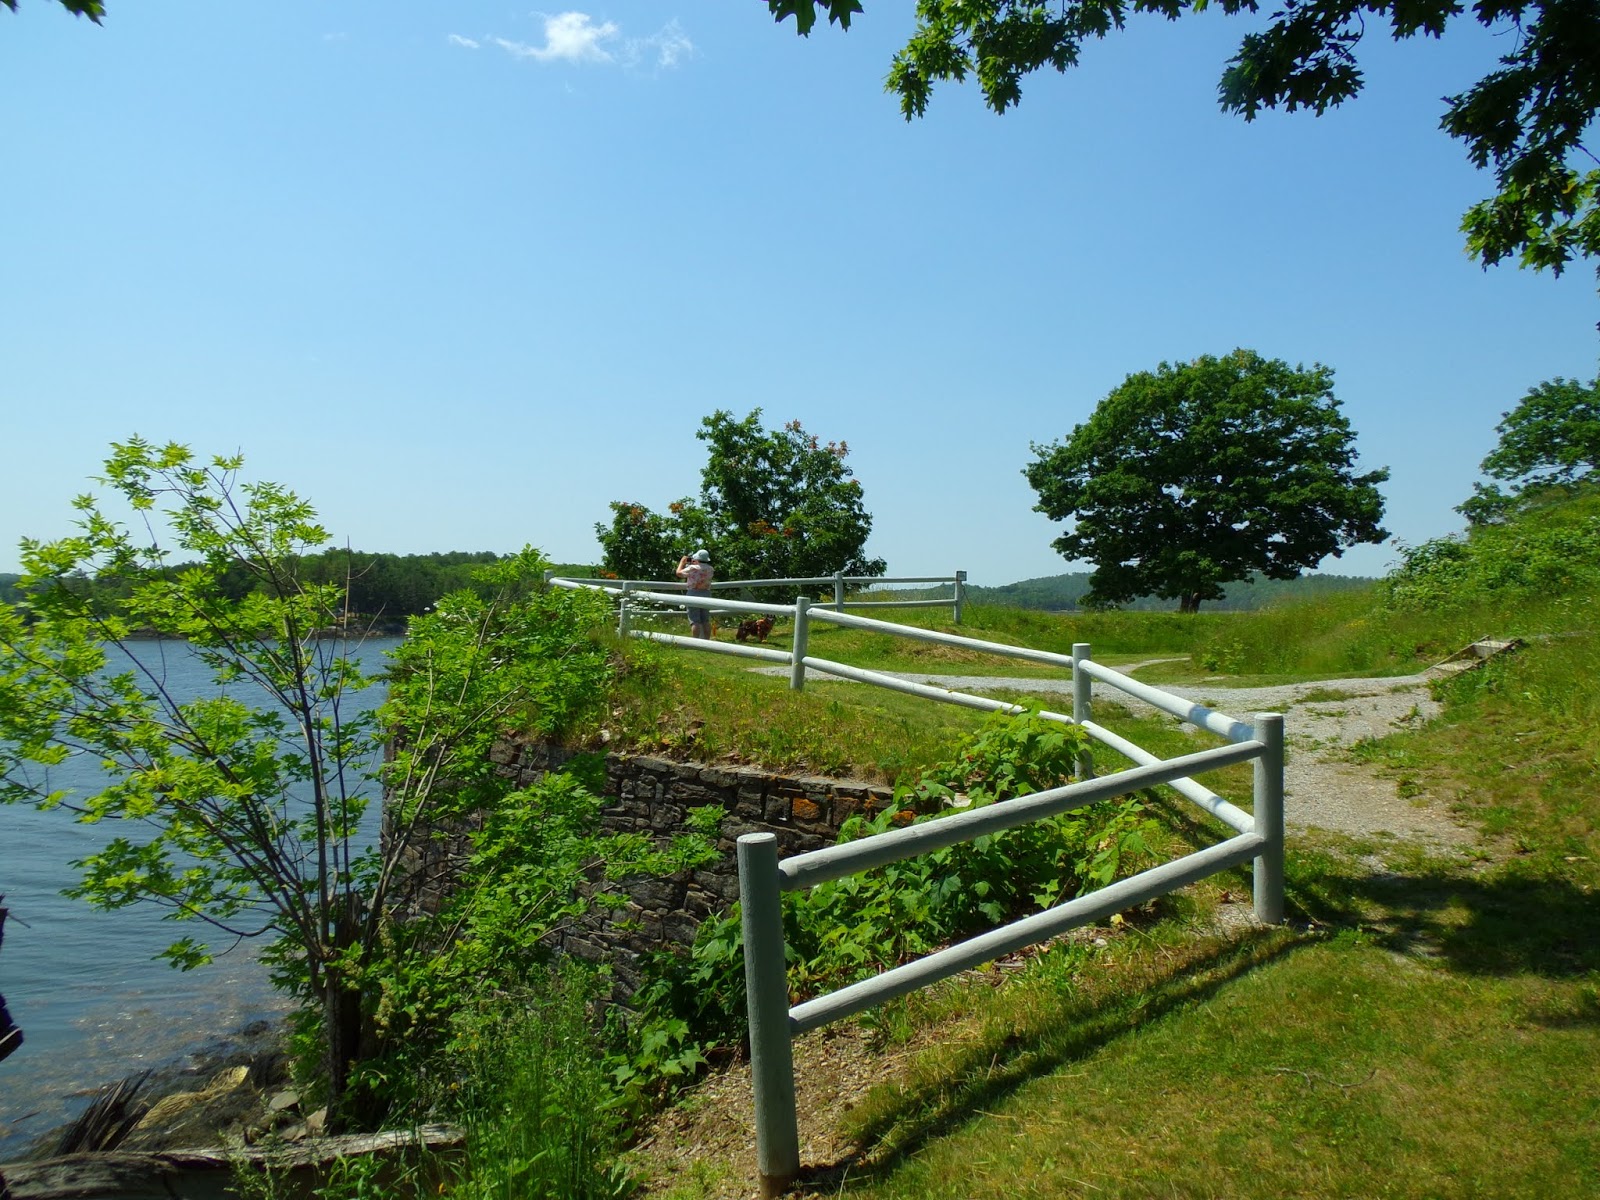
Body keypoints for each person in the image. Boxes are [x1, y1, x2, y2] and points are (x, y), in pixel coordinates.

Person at [675, 549, 713, 639]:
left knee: (695, 620)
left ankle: (695, 641)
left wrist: (682, 562)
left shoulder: (692, 568)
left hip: (693, 593)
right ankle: (707, 640)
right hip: (706, 593)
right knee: (705, 620)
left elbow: (679, 573)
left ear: (697, 558)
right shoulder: (710, 569)